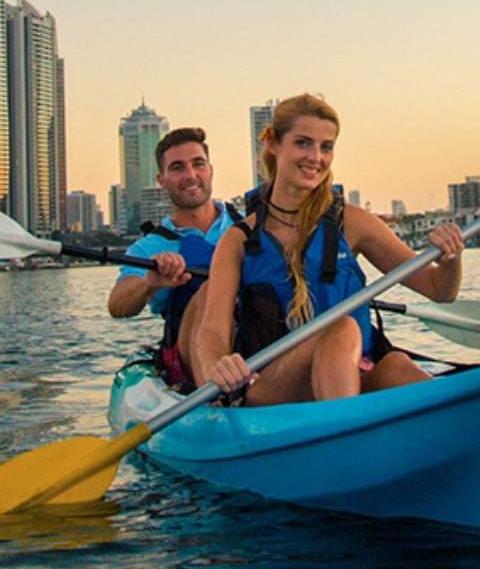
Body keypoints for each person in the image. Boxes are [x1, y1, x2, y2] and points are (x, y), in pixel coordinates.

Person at [192, 93, 465, 406]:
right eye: (303, 143)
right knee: (340, 328)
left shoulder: (353, 222)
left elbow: (440, 290)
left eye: (326, 147)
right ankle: (345, 428)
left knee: (396, 366)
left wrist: (451, 260)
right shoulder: (239, 239)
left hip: (352, 373)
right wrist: (217, 365)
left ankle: (453, 422)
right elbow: (213, 330)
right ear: (273, 144)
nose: (315, 157)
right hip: (273, 386)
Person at [106, 126, 240, 387]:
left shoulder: (248, 225)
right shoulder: (149, 248)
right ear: (162, 180)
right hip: (192, 361)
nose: (190, 175)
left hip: (257, 343)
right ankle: (216, 394)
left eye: (198, 164)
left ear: (210, 170)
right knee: (208, 291)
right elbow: (118, 306)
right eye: (177, 168)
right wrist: (149, 283)